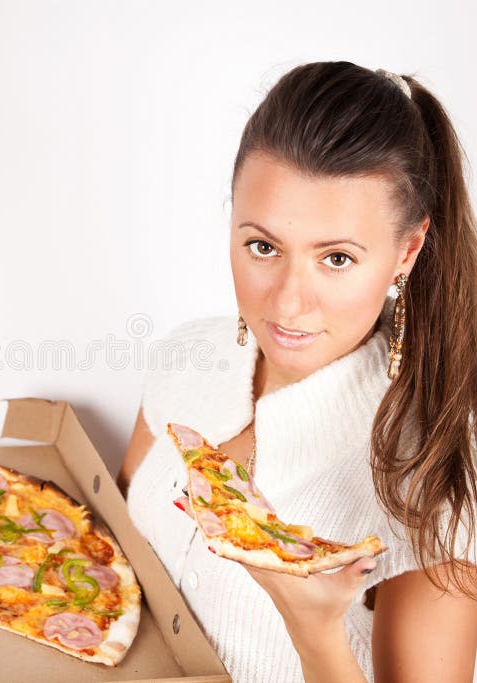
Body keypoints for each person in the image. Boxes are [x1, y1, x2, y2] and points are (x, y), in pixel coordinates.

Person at [118, 61, 477, 682]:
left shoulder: (437, 470)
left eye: (336, 258)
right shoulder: (186, 357)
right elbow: (115, 559)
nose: (286, 303)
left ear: (407, 251)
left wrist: (313, 631)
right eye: (263, 247)